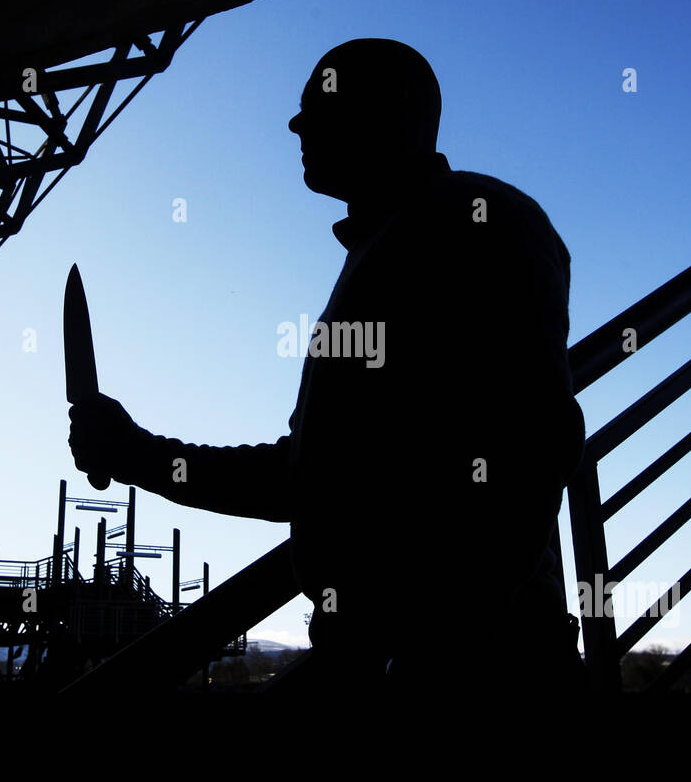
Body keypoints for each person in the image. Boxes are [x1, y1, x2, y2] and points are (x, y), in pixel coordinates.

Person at [69, 38, 586, 698]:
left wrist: (443, 649)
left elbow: (533, 440)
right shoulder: (398, 244)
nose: (297, 122)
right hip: (395, 656)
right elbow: (314, 475)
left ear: (392, 109)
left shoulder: (474, 221)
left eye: (319, 100)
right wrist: (140, 454)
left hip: (468, 671)